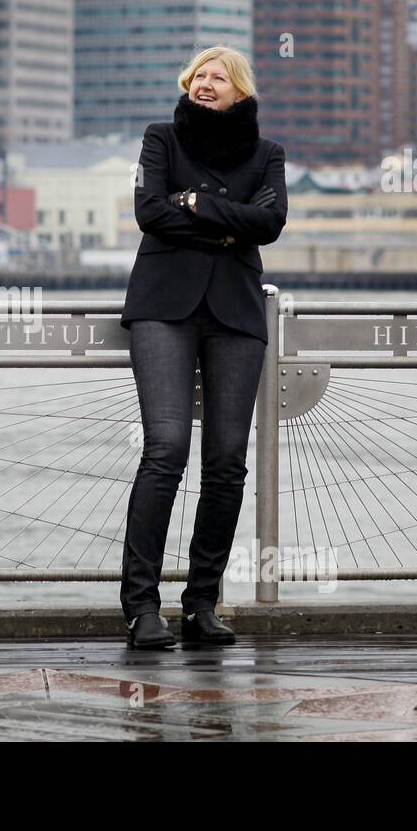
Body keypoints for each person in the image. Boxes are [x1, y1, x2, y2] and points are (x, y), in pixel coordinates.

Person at [119, 45, 288, 649]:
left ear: (240, 91)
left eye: (218, 77)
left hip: (235, 313)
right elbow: (149, 212)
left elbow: (270, 223)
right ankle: (142, 607)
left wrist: (193, 204)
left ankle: (200, 604)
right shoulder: (160, 139)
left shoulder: (267, 153)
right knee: (165, 449)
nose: (205, 83)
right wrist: (229, 223)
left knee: (226, 462)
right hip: (163, 307)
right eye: (198, 76)